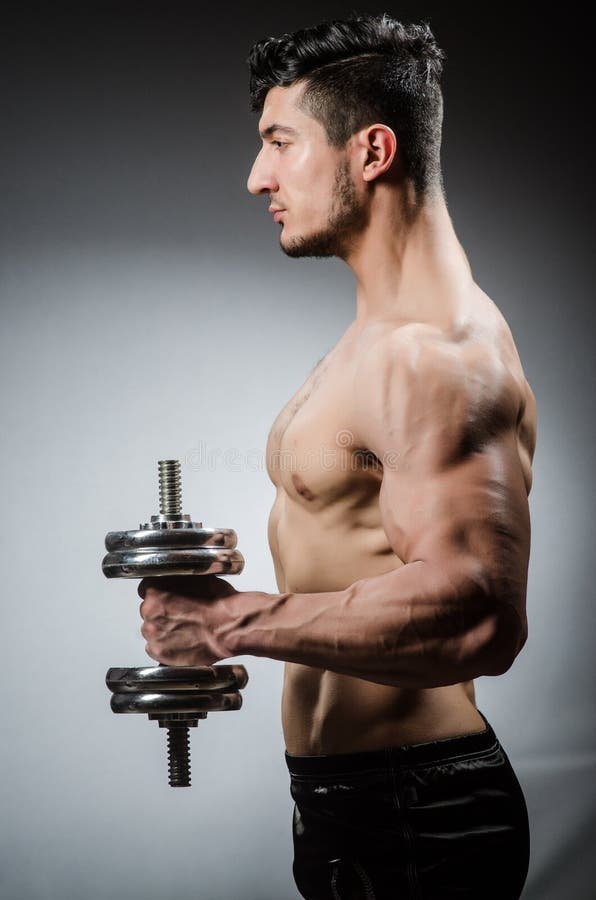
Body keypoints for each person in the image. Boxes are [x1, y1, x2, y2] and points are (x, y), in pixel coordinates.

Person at [138, 13, 537, 899]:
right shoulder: (375, 337)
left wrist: (229, 623)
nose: (256, 178)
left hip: (419, 810)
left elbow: (479, 615)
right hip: (346, 800)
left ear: (372, 151)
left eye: (281, 142)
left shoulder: (438, 353)